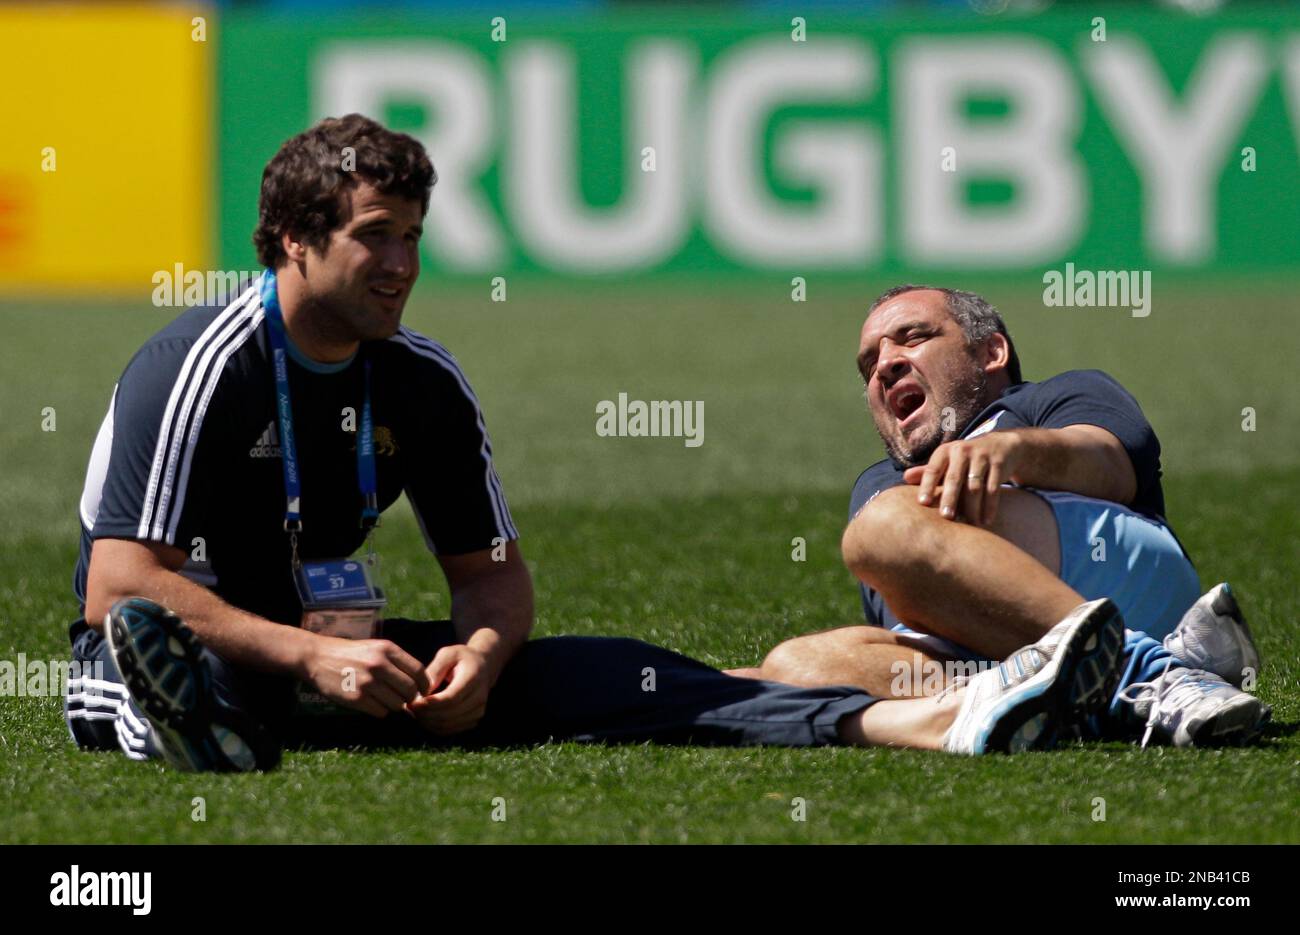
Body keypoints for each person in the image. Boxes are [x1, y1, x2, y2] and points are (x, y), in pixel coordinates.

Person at [62, 117, 1123, 771]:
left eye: (414, 237)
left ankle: (948, 722)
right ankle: (160, 710)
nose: (401, 262)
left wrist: (475, 661)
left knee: (619, 675)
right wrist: (312, 654)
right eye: (373, 235)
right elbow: (117, 583)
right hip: (223, 638)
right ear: (293, 241)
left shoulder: (420, 381)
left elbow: (493, 579)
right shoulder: (200, 362)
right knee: (183, 658)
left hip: (348, 650)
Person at [746, 285, 1270, 748]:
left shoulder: (1052, 398)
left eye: (912, 337)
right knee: (792, 668)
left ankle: (1142, 669)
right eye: (868, 366)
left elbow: (1112, 463)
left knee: (887, 528)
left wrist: (1014, 452)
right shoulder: (880, 483)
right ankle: (1127, 694)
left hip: (1117, 575)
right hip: (999, 655)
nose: (885, 364)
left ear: (992, 351)